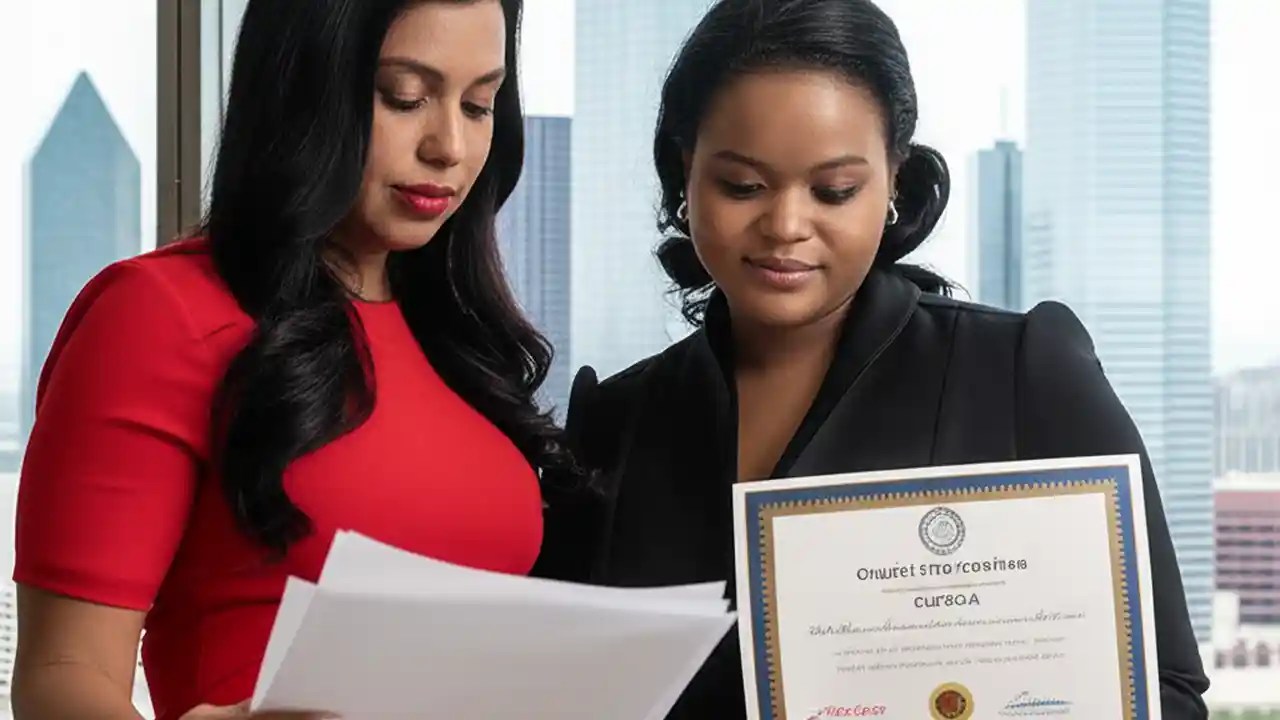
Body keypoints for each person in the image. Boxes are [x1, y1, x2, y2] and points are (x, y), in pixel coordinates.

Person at [534, 0, 1211, 718]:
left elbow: (1165, 690)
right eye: (742, 185)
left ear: (893, 182)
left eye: (834, 191)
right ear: (684, 172)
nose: (786, 226)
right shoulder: (615, 421)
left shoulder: (1022, 374)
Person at [11, 0, 573, 718]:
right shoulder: (157, 314)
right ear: (301, 86)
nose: (449, 147)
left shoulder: (464, 339)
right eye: (404, 97)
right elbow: (60, 678)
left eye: (479, 104)